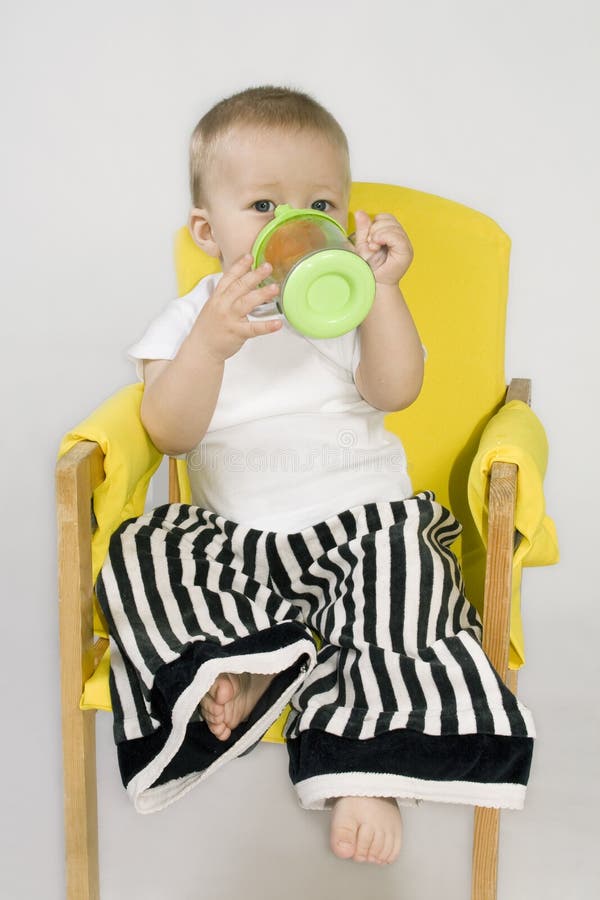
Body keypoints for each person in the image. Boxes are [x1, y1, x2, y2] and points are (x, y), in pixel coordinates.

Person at [96, 85, 535, 867]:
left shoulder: (345, 305)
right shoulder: (189, 318)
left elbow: (396, 390)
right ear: (207, 230)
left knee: (410, 580)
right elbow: (168, 430)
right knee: (143, 549)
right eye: (263, 204)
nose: (292, 225)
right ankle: (248, 661)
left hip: (360, 532)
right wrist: (209, 345)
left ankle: (365, 770)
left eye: (319, 203)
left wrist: (386, 293)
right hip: (239, 543)